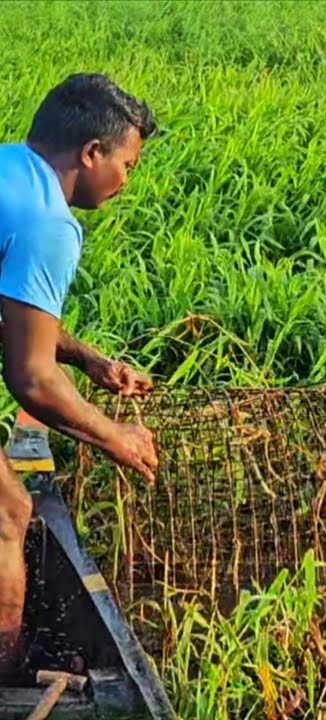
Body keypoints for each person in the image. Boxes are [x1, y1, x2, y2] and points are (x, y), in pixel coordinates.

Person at [0, 73, 160, 682]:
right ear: (92, 152)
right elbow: (31, 378)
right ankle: (8, 677)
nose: (127, 181)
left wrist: (86, 357)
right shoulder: (49, 222)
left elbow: (14, 317)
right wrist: (116, 436)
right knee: (7, 512)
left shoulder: (11, 172)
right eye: (127, 165)